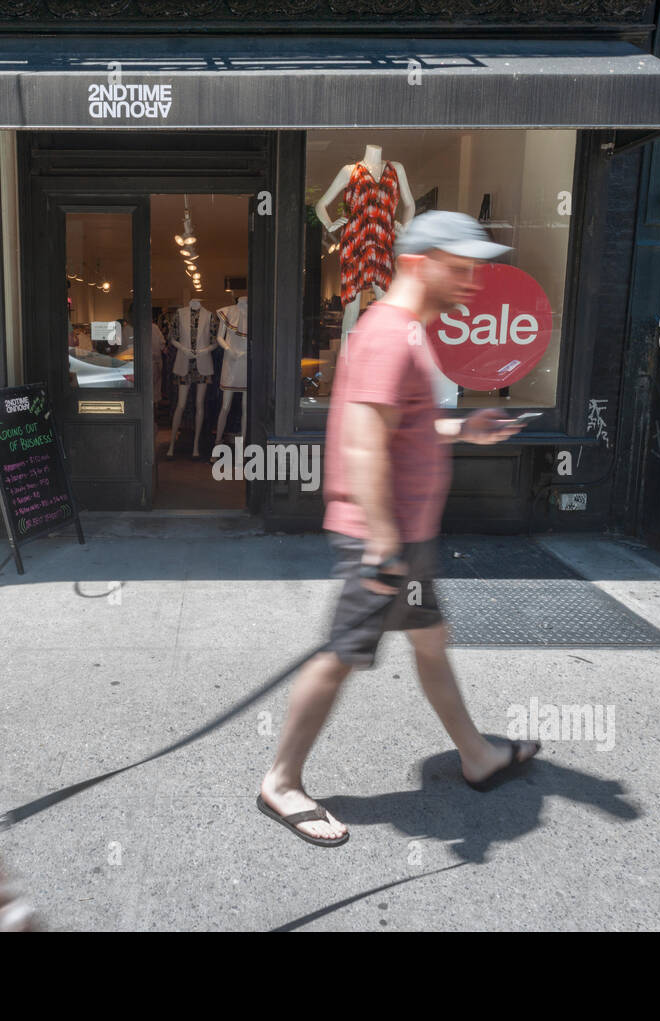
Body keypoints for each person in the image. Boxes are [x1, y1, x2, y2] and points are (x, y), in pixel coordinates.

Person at [257, 211, 542, 847]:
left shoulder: (410, 332)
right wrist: (383, 544)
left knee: (430, 641)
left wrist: (463, 429)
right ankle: (280, 781)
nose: (473, 280)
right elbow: (363, 441)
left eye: (476, 268)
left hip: (405, 540)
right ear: (419, 262)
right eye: (460, 266)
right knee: (338, 658)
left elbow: (404, 429)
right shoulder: (390, 333)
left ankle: (476, 754)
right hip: (383, 540)